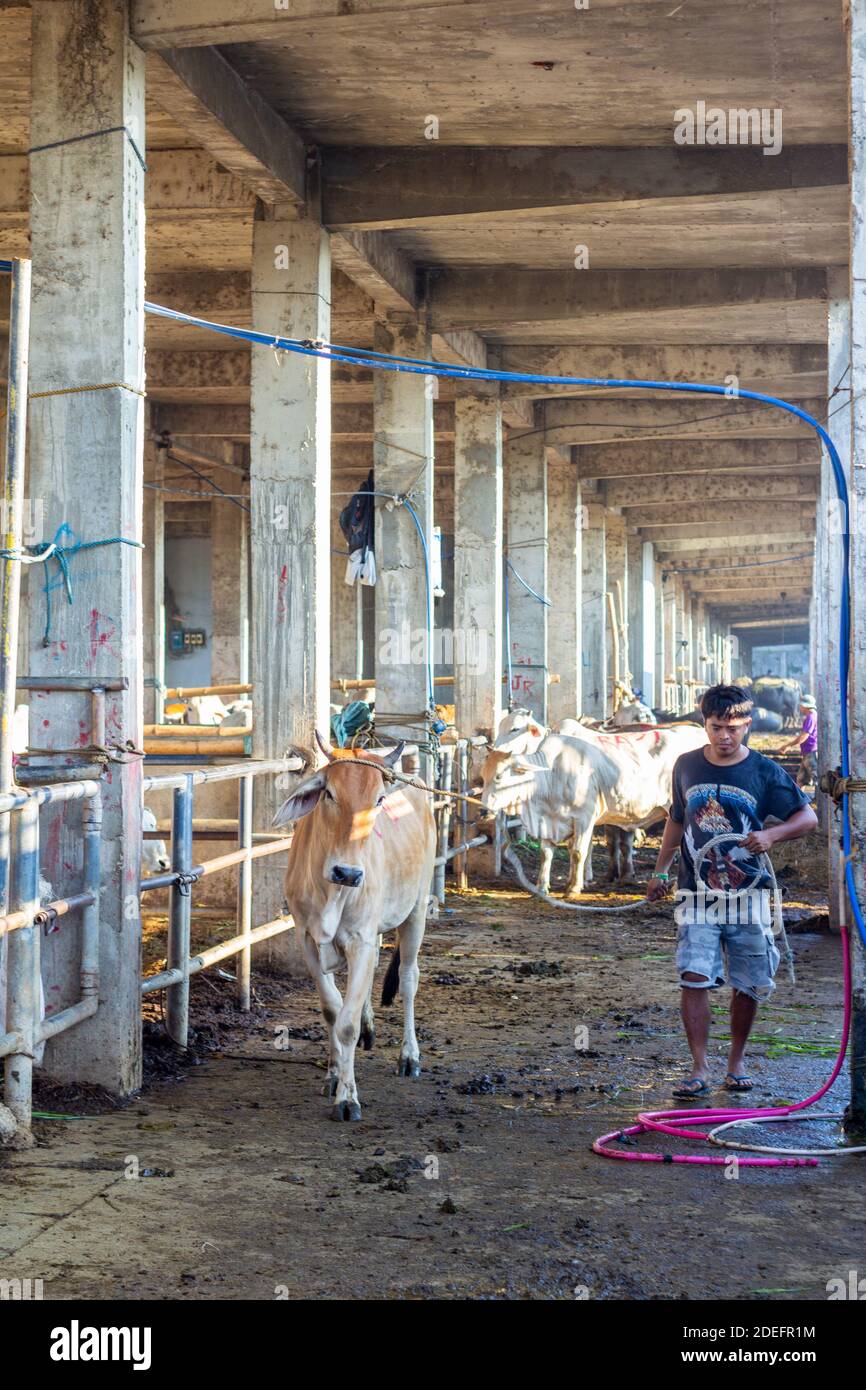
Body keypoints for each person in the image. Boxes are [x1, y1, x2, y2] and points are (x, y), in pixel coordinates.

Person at [646, 684, 817, 1100]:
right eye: (716, 727)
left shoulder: (763, 770)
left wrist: (772, 835)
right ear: (704, 723)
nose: (725, 736)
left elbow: (808, 818)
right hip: (696, 892)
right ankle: (699, 1068)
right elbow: (677, 819)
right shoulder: (686, 765)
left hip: (748, 893)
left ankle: (736, 1062)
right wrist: (660, 870)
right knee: (693, 976)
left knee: (749, 981)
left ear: (748, 725)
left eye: (734, 728)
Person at [780, 694, 818, 789]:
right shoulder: (811, 716)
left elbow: (804, 736)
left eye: (800, 706)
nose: (800, 708)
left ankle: (820, 797)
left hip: (811, 752)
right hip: (807, 752)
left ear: (805, 706)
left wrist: (788, 745)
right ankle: (800, 798)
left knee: (817, 778)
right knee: (801, 780)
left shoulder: (811, 717)